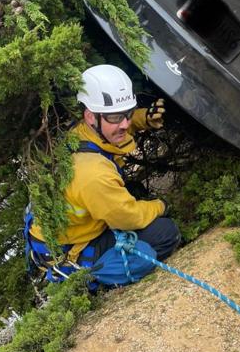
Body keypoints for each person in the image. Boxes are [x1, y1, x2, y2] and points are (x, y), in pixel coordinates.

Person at [25, 64, 181, 288]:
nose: (125, 124)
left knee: (134, 193)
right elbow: (128, 218)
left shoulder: (79, 132)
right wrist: (160, 206)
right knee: (165, 233)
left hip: (67, 232)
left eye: (128, 114)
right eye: (117, 117)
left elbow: (111, 130)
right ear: (90, 116)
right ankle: (89, 282)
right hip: (72, 249)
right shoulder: (93, 173)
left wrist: (142, 118)